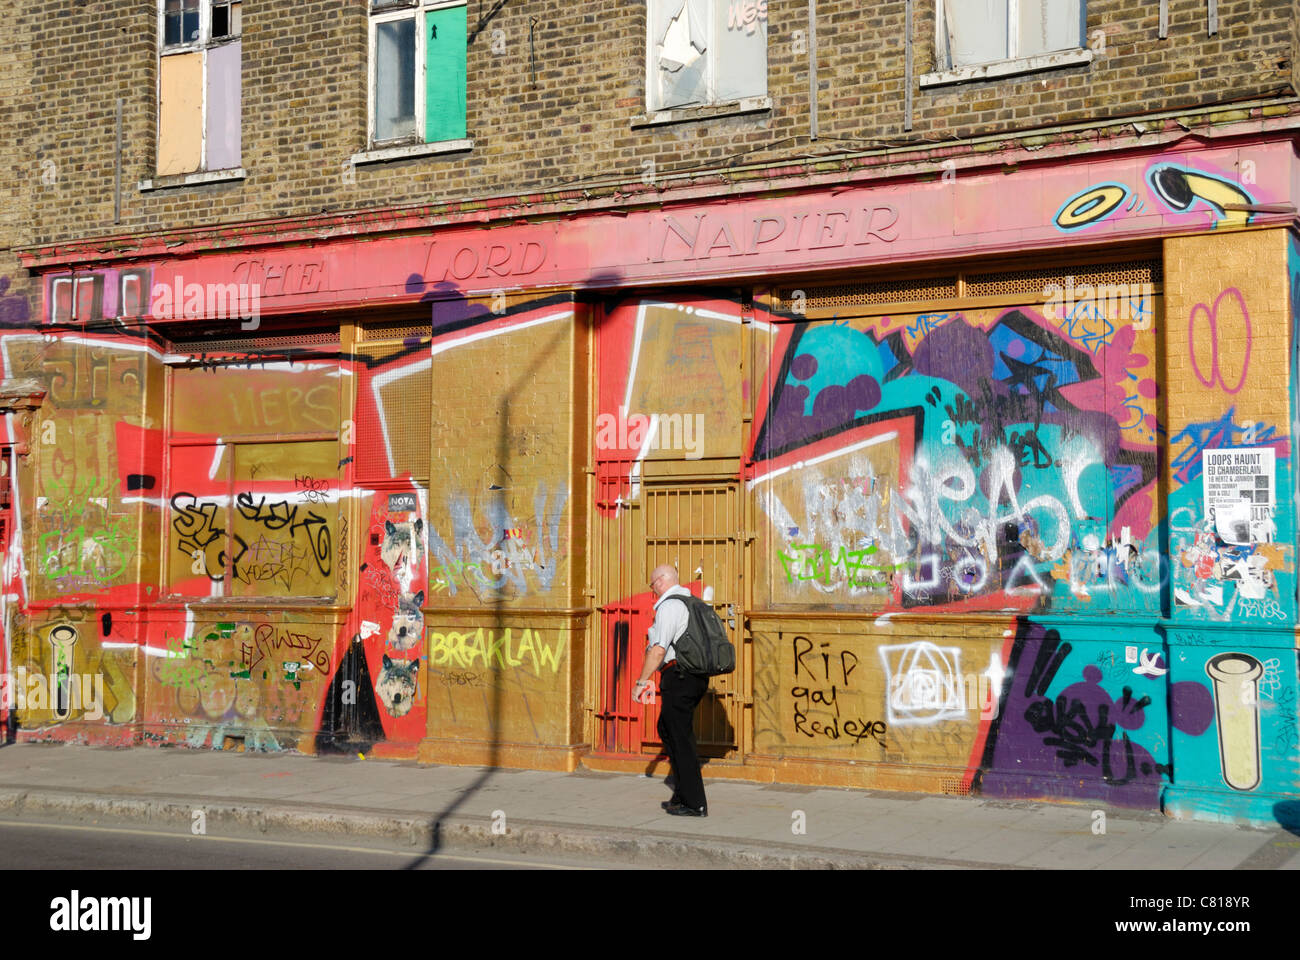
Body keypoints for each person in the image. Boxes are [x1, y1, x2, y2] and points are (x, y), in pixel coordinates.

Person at [633, 564, 708, 817]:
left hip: (679, 676)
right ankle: (682, 795)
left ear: (662, 581)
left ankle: (694, 803)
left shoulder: (669, 606)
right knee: (667, 728)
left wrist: (642, 682)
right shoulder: (691, 601)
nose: (652, 590)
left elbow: (658, 650)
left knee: (680, 738)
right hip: (694, 677)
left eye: (652, 584)